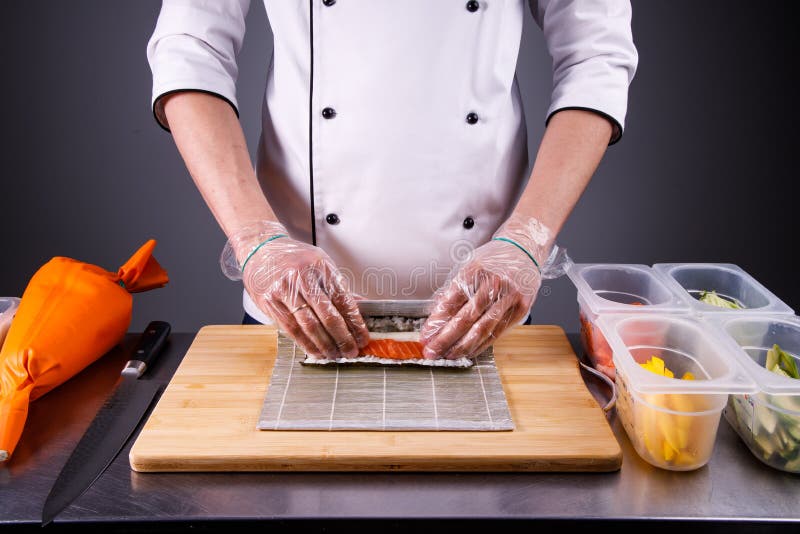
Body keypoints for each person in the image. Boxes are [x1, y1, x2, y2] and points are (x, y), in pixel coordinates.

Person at [147, 0, 638, 361]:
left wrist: (528, 240)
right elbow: (191, 50)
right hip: (297, 303)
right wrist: (257, 242)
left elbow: (594, 58)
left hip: (487, 305)